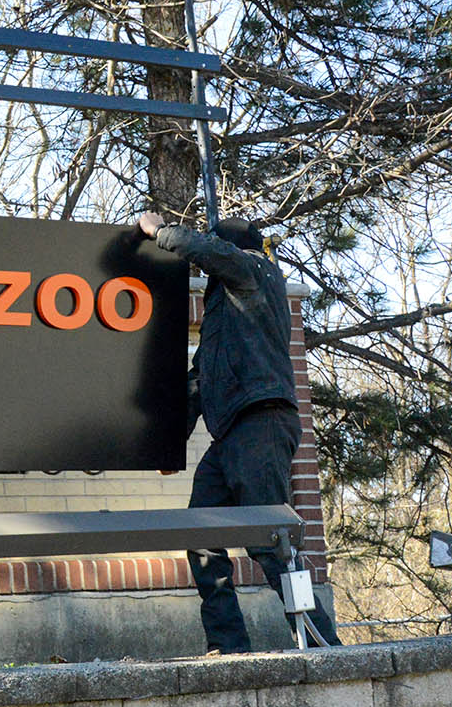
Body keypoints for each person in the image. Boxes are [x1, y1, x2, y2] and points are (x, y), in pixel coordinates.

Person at [136, 210, 340, 653]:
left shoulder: (255, 273)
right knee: (201, 535)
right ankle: (229, 645)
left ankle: (323, 644)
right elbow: (199, 380)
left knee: (269, 541)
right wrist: (171, 444)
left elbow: (209, 251)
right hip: (231, 435)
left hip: (261, 423)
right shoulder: (225, 312)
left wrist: (160, 232)